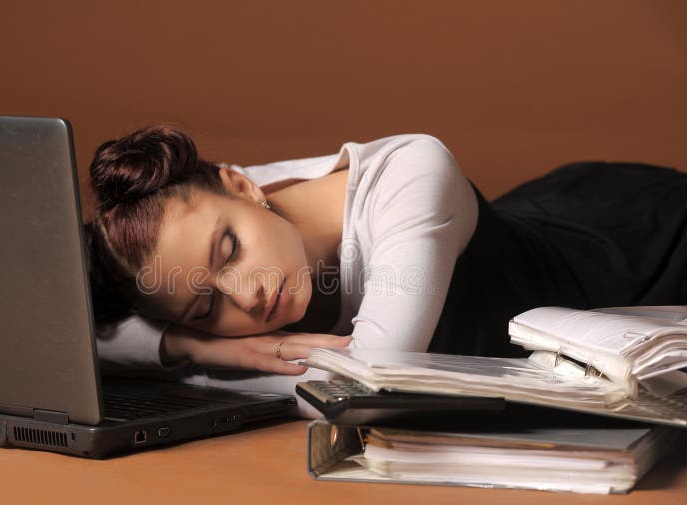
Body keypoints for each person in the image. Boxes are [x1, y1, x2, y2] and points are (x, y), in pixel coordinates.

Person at [84, 125, 687, 418]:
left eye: (230, 250)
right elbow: (81, 336)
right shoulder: (202, 214)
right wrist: (195, 346)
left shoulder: (411, 172)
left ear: (242, 186)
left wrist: (201, 371)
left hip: (635, 249)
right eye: (207, 306)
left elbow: (367, 386)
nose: (248, 296)